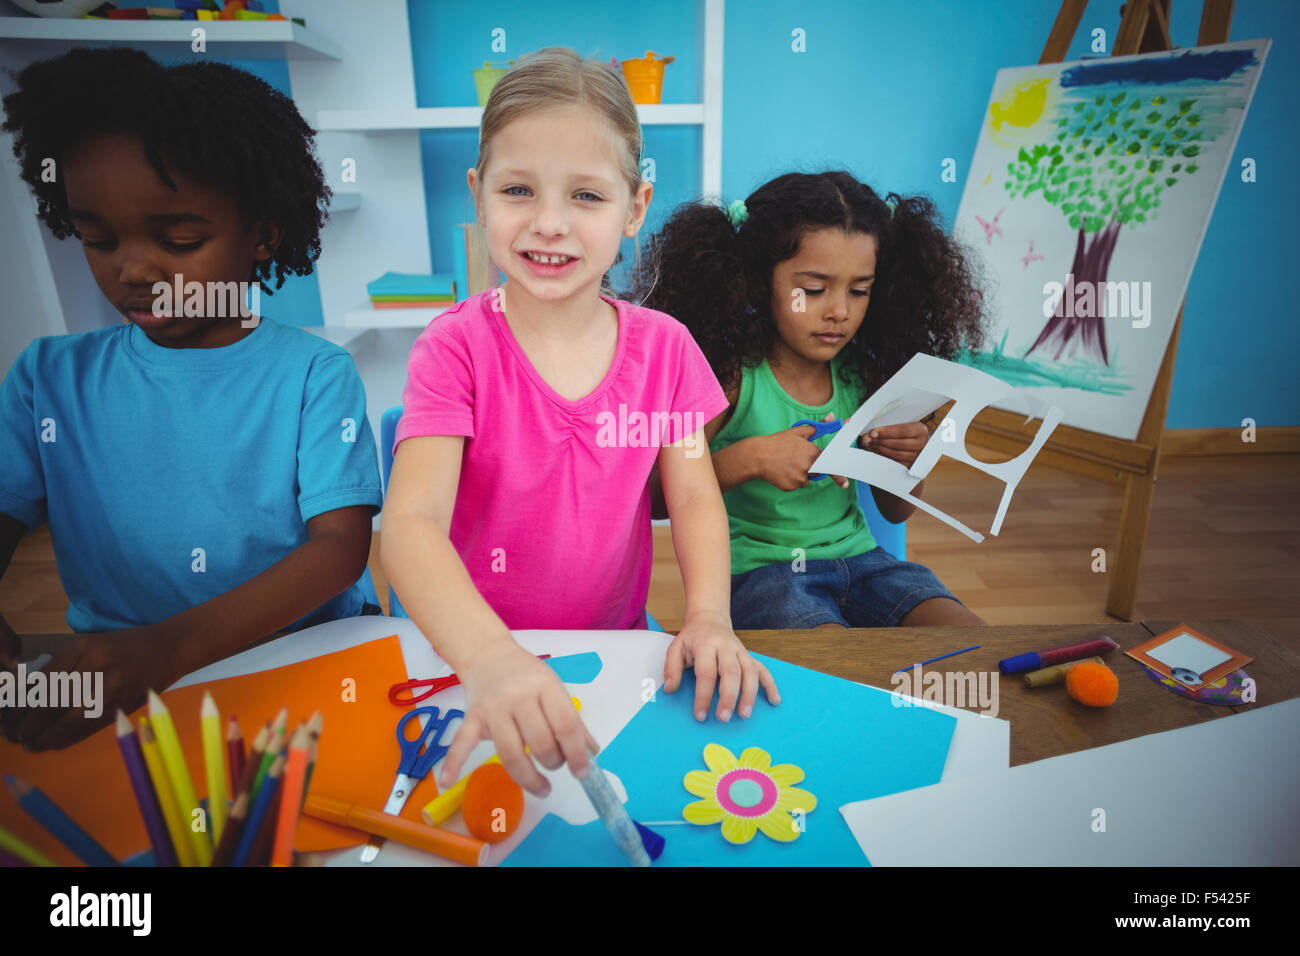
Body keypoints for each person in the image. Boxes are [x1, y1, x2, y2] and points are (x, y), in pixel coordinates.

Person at [381, 48, 779, 798]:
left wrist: (708, 619)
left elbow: (694, 498)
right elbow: (410, 523)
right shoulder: (453, 348)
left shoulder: (665, 349)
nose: (550, 223)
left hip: (615, 650)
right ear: (479, 194)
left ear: (635, 209)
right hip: (473, 661)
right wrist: (491, 658)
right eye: (519, 189)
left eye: (587, 197)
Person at [0, 48, 382, 750]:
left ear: (263, 233)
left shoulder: (314, 375)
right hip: (118, 686)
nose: (134, 268)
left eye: (179, 239)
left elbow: (339, 550)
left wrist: (168, 650)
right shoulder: (47, 379)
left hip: (305, 660)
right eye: (97, 239)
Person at [633, 171, 987, 629]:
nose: (839, 310)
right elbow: (658, 500)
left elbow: (895, 511)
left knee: (968, 636)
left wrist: (910, 462)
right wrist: (751, 457)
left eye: (859, 290)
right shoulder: (731, 379)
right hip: (762, 576)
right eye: (814, 290)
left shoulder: (867, 376)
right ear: (759, 282)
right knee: (832, 659)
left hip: (867, 564)